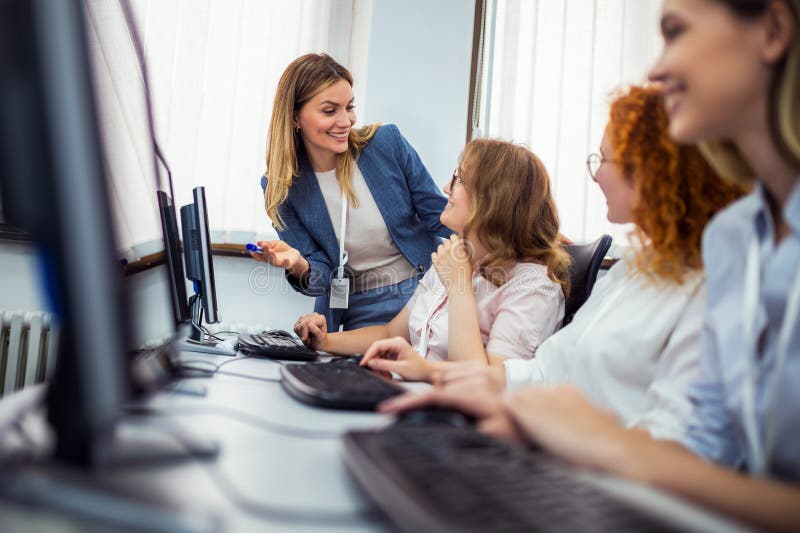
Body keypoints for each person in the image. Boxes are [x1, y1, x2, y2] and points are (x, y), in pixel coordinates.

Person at [382, 1, 800, 529]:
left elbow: (692, 448)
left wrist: (593, 442)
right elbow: (556, 374)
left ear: (775, 30)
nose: (655, 69)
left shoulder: (721, 261)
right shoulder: (726, 241)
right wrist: (443, 376)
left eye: (676, 31)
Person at [374, 85, 746, 442]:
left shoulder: (715, 285)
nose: (595, 174)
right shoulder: (631, 273)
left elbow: (680, 440)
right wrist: (430, 372)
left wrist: (556, 437)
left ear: (655, 170)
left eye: (604, 159)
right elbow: (543, 372)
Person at [293, 139, 569, 376]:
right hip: (415, 403)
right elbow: (391, 333)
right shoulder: (456, 258)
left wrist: (459, 286)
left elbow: (487, 388)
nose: (446, 187)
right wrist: (325, 341)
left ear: (493, 200)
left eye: (459, 180)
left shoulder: (533, 286)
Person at [253, 53, 451, 331]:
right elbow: (320, 277)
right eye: (330, 110)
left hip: (425, 292)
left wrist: (507, 241)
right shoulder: (282, 188)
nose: (346, 121)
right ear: (295, 117)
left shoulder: (386, 144)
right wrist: (298, 263)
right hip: (361, 309)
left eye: (350, 107)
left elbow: (440, 216)